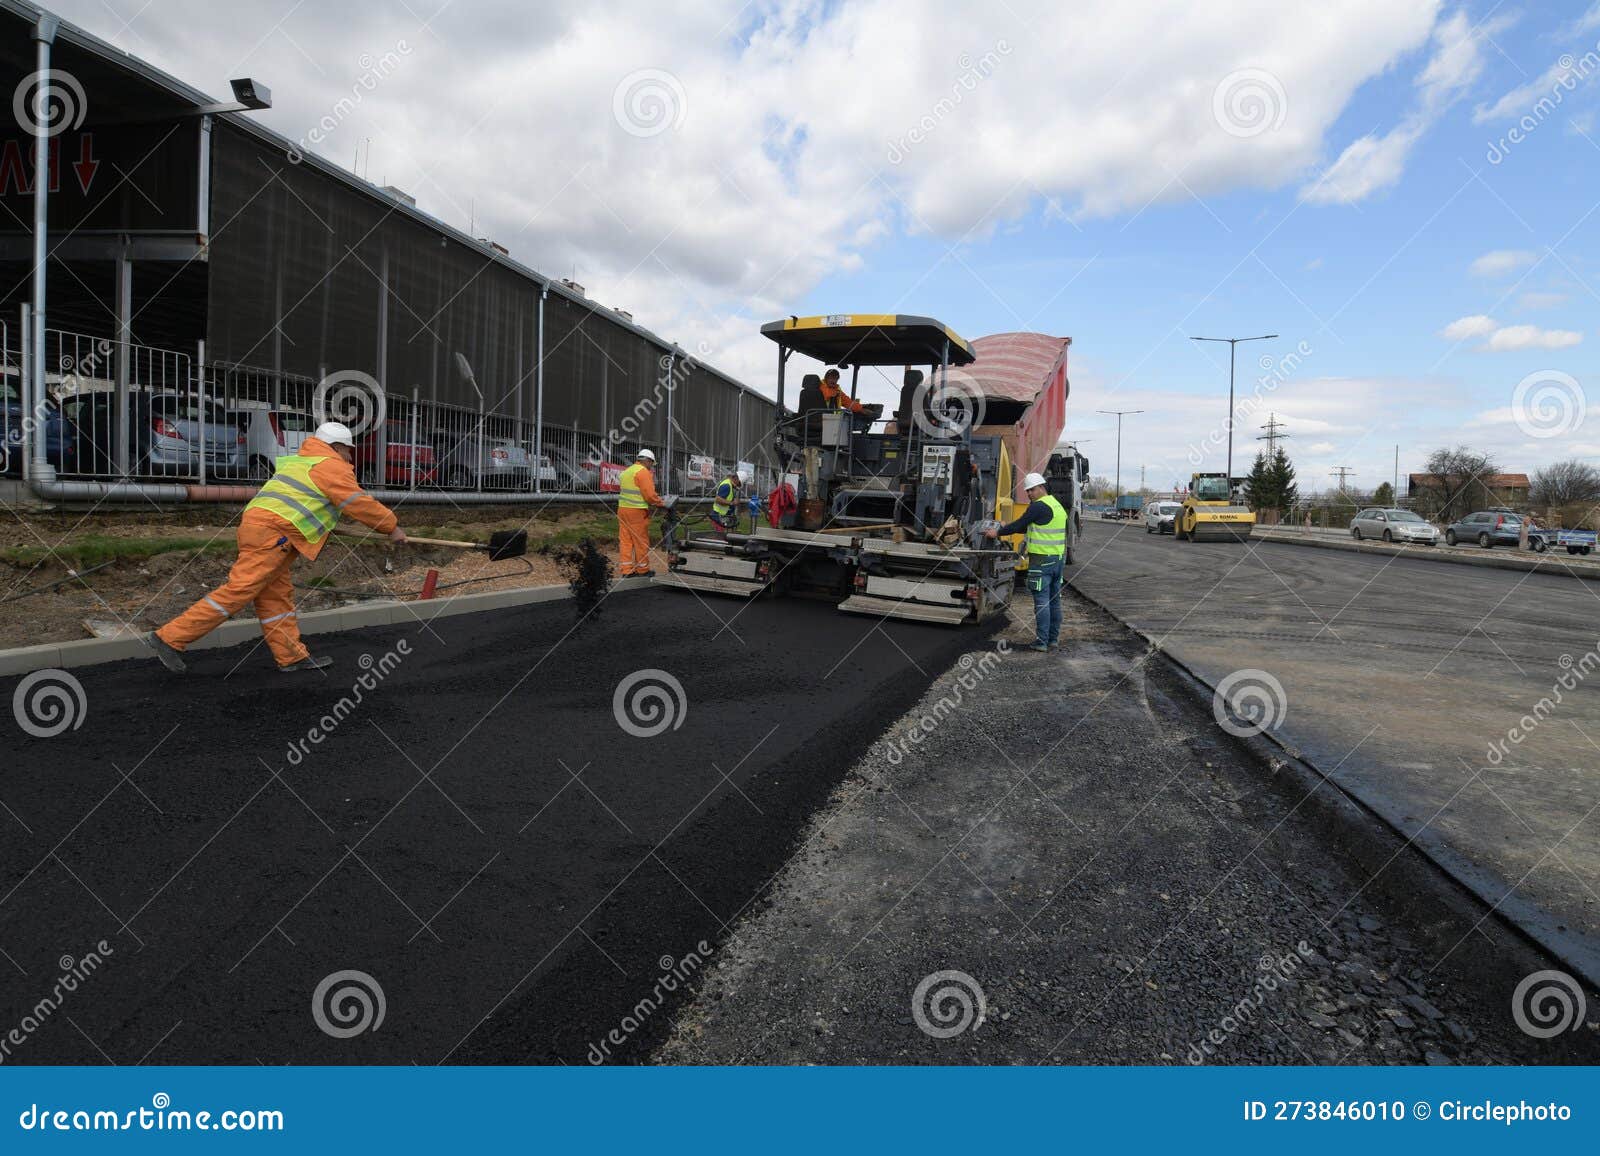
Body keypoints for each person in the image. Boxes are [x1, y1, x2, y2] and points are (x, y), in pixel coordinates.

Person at [146, 421, 406, 673]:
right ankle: (169, 637)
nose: (349, 456)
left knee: (276, 598)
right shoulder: (330, 466)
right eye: (348, 449)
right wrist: (391, 527)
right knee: (240, 590)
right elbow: (357, 502)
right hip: (274, 534)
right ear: (337, 447)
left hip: (262, 528)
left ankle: (291, 656)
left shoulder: (303, 462)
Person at [984, 471, 1067, 652]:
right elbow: (1033, 527)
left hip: (1042, 561)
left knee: (1042, 602)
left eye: (1032, 490)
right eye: (1027, 491)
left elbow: (1021, 525)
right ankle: (1052, 639)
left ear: (1041, 487)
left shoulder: (1038, 506)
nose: (1029, 494)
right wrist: (1009, 527)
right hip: (1058, 560)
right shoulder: (1056, 505)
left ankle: (1041, 642)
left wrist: (997, 532)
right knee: (1054, 601)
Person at [618, 448, 666, 576]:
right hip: (636, 511)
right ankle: (643, 569)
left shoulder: (627, 471)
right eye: (651, 463)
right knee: (641, 541)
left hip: (623, 509)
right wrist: (660, 503)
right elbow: (649, 495)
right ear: (648, 460)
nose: (651, 467)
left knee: (625, 540)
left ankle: (626, 570)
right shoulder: (643, 472)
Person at [708, 468, 744, 539]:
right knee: (719, 538)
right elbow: (718, 499)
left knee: (722, 537)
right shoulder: (727, 486)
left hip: (722, 516)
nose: (738, 485)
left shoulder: (730, 485)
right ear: (736, 479)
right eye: (738, 483)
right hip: (718, 516)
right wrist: (732, 503)